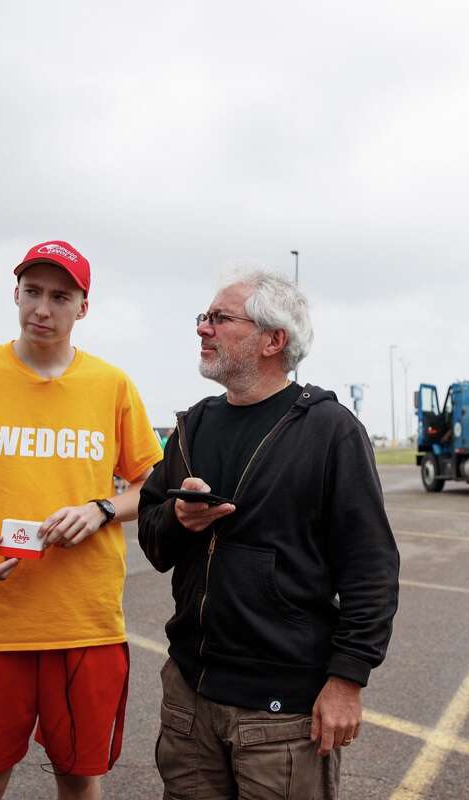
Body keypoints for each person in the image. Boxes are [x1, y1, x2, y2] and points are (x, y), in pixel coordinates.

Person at [0, 241, 164, 800]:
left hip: (83, 617)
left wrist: (100, 510)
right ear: (16, 294)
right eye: (31, 293)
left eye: (60, 296)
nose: (42, 309)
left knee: (79, 777)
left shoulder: (112, 385)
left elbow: (153, 486)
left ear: (83, 306)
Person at [138, 270, 400, 799]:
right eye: (203, 317)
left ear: (272, 340)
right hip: (190, 694)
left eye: (220, 318)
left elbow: (370, 565)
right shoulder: (192, 427)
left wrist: (348, 678)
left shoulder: (329, 429)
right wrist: (178, 520)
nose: (203, 329)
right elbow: (153, 535)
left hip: (282, 711)